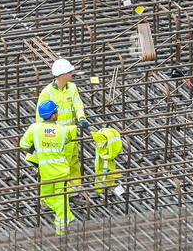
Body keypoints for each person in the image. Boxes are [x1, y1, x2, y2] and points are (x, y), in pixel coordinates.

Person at [19, 99, 78, 235]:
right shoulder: (62, 130)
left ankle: (64, 218)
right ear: (53, 115)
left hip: (46, 170)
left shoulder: (34, 128)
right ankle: (63, 223)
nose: (57, 113)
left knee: (46, 197)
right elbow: (68, 139)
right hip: (62, 171)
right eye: (56, 111)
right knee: (60, 198)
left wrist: (38, 145)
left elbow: (23, 144)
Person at [91, 127, 124, 195]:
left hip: (105, 163)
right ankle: (107, 189)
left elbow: (101, 153)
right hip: (108, 160)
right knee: (109, 173)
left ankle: (101, 191)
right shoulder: (110, 137)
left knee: (104, 174)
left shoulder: (104, 139)